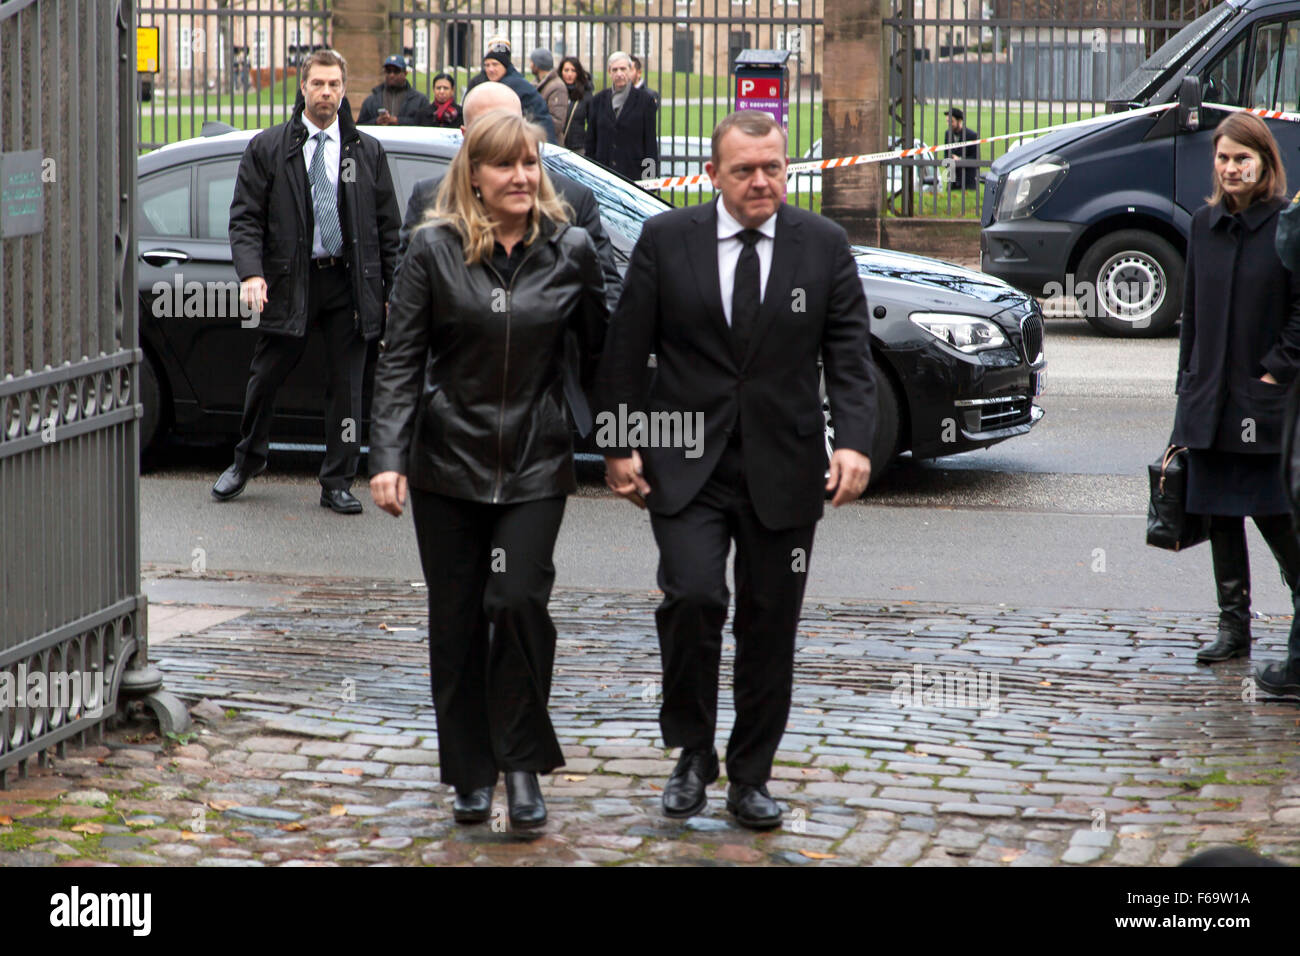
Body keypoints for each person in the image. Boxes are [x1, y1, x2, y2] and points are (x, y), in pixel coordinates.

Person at [595, 110, 876, 828]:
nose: (761, 182)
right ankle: (693, 751)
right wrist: (619, 444)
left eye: (773, 168)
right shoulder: (667, 240)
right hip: (685, 461)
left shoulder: (824, 245)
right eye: (745, 170)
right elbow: (627, 347)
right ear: (714, 173)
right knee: (692, 599)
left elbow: (849, 355)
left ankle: (751, 774)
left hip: (783, 467)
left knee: (768, 621)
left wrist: (855, 442)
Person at [368, 110, 609, 829]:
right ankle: (470, 771)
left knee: (516, 603)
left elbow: (602, 357)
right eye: (505, 165)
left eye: (530, 164)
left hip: (535, 465)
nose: (521, 177)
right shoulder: (433, 251)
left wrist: (626, 442)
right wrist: (387, 456)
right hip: (447, 463)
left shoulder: (571, 251)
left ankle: (523, 764)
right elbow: (401, 360)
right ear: (473, 175)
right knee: (458, 619)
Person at [215, 50, 401, 514]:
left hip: (349, 285)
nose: (326, 93)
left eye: (335, 84)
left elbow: (388, 230)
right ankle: (248, 460)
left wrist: (391, 295)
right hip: (290, 281)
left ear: (344, 89)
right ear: (303, 87)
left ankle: (337, 480)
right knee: (266, 378)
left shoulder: (366, 151)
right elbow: (245, 219)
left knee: (347, 389)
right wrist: (252, 273)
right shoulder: (271, 147)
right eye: (318, 84)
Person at [1172, 112, 1300, 703]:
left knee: (1278, 519)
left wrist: (1277, 366)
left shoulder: (1286, 226)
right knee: (1220, 515)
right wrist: (1185, 395)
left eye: (1241, 159)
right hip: (1210, 400)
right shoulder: (1202, 224)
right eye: (1222, 159)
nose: (1230, 169)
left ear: (1265, 163)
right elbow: (1192, 319)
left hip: (1264, 401)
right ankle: (1234, 627)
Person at [397, 82, 622, 316]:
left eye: (508, 123)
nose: (501, 135)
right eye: (487, 127)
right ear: (465, 135)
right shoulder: (430, 198)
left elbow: (607, 297)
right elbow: (406, 303)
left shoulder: (573, 199)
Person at [585, 51, 658, 181]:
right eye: (615, 70)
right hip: (604, 177)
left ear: (630, 71)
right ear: (609, 72)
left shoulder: (645, 101)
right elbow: (591, 144)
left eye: (623, 69)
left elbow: (650, 145)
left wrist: (650, 181)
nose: (619, 73)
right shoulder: (597, 101)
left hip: (634, 176)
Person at [469, 37, 557, 143]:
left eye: (495, 64)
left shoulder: (510, 85)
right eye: (487, 65)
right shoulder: (505, 81)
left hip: (538, 140)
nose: (490, 69)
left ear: (505, 66)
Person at [356, 54, 430, 126]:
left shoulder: (420, 100)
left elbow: (425, 124)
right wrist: (376, 122)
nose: (392, 75)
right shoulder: (372, 100)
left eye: (396, 71)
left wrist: (398, 121)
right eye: (388, 71)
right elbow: (360, 126)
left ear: (405, 73)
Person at [529, 48, 569, 136]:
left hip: (549, 144)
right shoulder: (534, 84)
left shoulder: (557, 87)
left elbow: (557, 124)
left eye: (531, 62)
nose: (530, 65)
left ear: (537, 64)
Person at [558, 56, 594, 154]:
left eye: (573, 70)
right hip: (557, 145)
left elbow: (592, 120)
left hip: (578, 146)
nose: (569, 74)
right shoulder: (556, 92)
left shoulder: (586, 93)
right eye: (566, 70)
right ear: (561, 72)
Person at [943, 107, 979, 190]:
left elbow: (976, 158)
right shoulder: (947, 133)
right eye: (947, 121)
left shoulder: (972, 135)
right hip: (952, 181)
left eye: (951, 121)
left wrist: (960, 159)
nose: (948, 124)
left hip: (967, 182)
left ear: (959, 121)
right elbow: (946, 154)